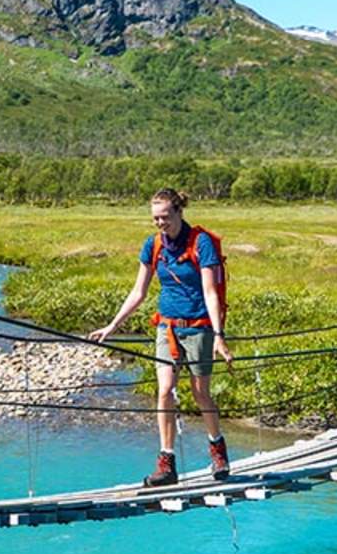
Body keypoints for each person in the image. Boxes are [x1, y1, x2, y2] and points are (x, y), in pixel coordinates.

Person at [87, 189, 235, 485]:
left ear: (179, 212)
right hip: (166, 327)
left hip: (199, 326)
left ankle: (217, 450)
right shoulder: (153, 245)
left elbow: (209, 292)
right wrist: (112, 326)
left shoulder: (200, 243)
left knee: (200, 392)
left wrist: (219, 335)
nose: (160, 223)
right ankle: (166, 462)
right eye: (155, 218)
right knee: (164, 390)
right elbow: (138, 291)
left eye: (165, 217)